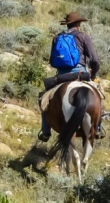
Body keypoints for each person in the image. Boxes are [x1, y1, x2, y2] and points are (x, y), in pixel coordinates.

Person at [37, 11, 102, 142]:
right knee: (99, 94)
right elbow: (95, 60)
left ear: (67, 25)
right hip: (80, 74)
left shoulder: (57, 38)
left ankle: (45, 131)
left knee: (43, 98)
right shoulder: (83, 37)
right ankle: (99, 127)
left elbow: (52, 61)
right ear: (78, 24)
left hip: (61, 76)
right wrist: (93, 74)